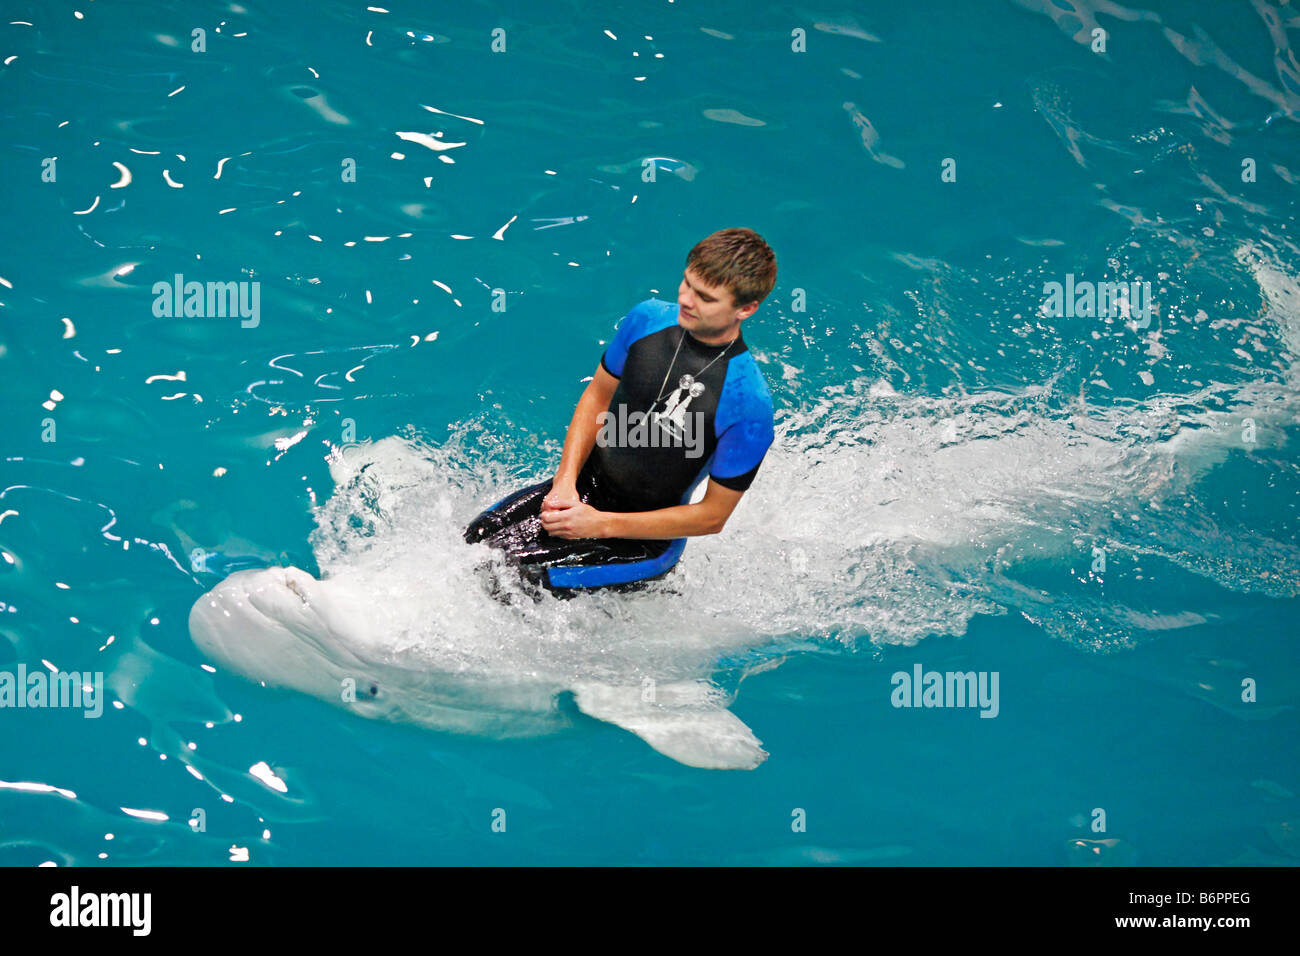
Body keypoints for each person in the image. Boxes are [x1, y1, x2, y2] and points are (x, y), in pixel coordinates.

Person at [464, 227, 777, 596]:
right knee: (474, 540)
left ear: (745, 309)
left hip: (641, 543)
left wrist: (598, 525)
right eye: (687, 283)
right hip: (585, 489)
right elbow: (597, 397)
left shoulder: (747, 403)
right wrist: (565, 482)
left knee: (513, 585)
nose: (686, 300)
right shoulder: (646, 320)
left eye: (705, 297)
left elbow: (712, 517)